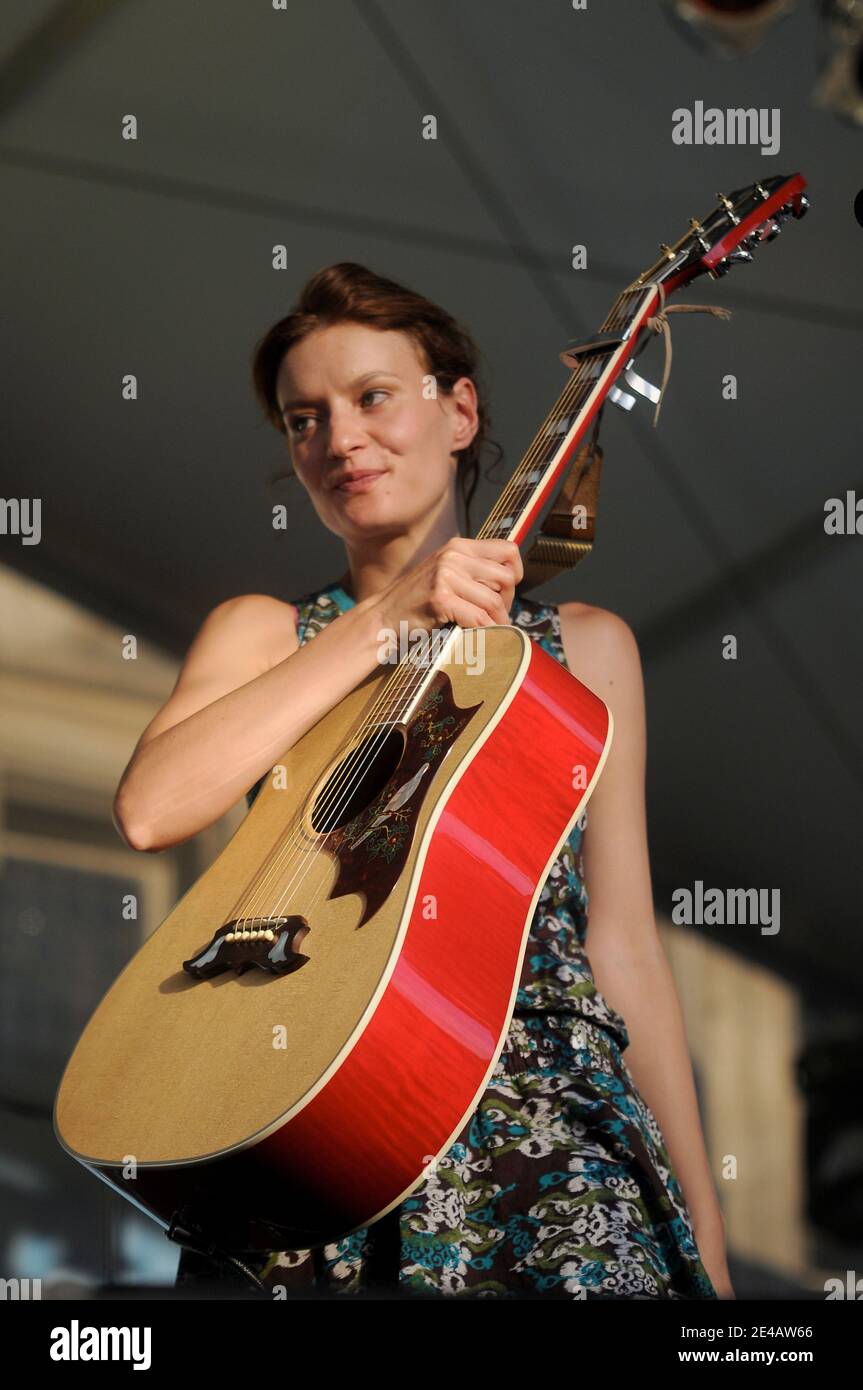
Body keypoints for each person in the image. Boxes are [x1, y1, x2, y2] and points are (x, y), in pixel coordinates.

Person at [113, 261, 733, 1301]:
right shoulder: (265, 633)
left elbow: (620, 940)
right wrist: (389, 614)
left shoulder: (585, 649)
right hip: (309, 1109)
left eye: (370, 398)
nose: (337, 440)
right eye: (302, 419)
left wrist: (704, 1244)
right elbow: (150, 808)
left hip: (544, 1122)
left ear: (458, 412)